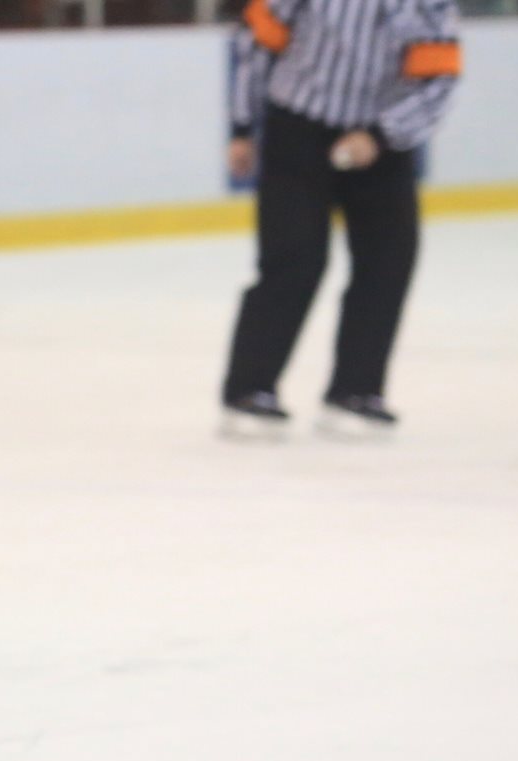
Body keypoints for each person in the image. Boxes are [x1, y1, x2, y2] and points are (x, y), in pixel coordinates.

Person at [219, 0, 460, 438]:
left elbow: (439, 78)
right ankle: (249, 390)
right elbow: (256, 41)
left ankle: (355, 390)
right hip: (298, 129)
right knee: (294, 260)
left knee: (389, 262)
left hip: (382, 139)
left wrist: (382, 135)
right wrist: (242, 126)